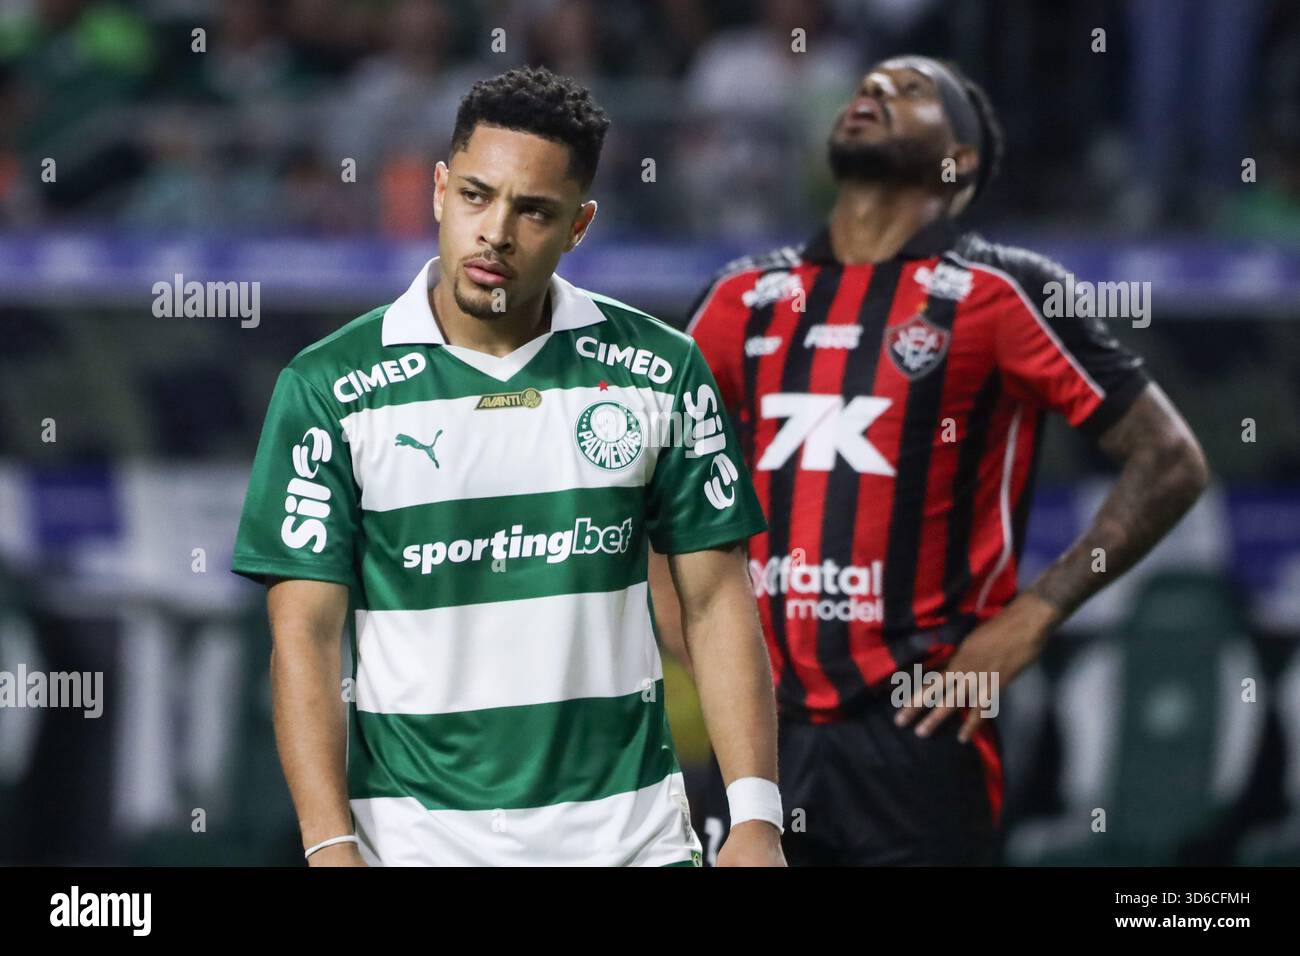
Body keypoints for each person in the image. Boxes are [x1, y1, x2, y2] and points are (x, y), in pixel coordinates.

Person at [651, 55, 1210, 865]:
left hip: (918, 734)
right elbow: (647, 465)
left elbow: (1170, 459)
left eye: (911, 91)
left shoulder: (1003, 291)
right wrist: (679, 615)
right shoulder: (741, 296)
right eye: (868, 85)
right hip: (759, 741)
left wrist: (1034, 615)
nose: (874, 93)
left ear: (964, 160)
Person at [231, 66, 784, 867]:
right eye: (477, 196)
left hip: (633, 845)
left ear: (579, 226)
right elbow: (306, 638)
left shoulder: (659, 370)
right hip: (415, 849)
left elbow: (715, 601)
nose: (496, 232)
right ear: (437, 189)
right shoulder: (329, 389)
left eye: (534, 211)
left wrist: (758, 818)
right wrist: (328, 845)